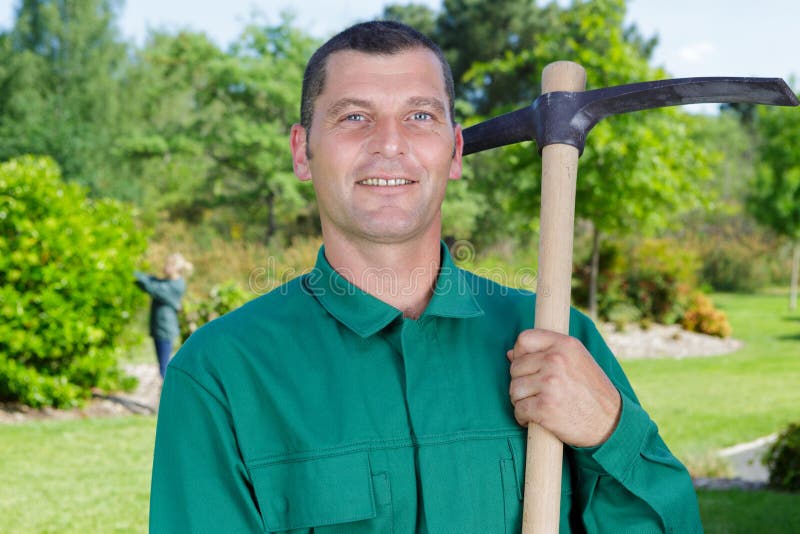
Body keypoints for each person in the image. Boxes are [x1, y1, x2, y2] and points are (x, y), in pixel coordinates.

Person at [150, 21, 702, 533]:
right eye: (354, 116)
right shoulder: (220, 375)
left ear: (455, 150)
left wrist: (610, 432)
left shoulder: (556, 338)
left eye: (419, 116)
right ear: (302, 151)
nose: (390, 143)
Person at [134, 253, 192, 378]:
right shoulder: (166, 282)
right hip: (159, 328)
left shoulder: (176, 285)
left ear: (176, 267)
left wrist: (135, 275)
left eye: (168, 264)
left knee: (164, 367)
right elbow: (150, 282)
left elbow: (153, 288)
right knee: (162, 365)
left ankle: (169, 396)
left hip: (165, 329)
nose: (164, 267)